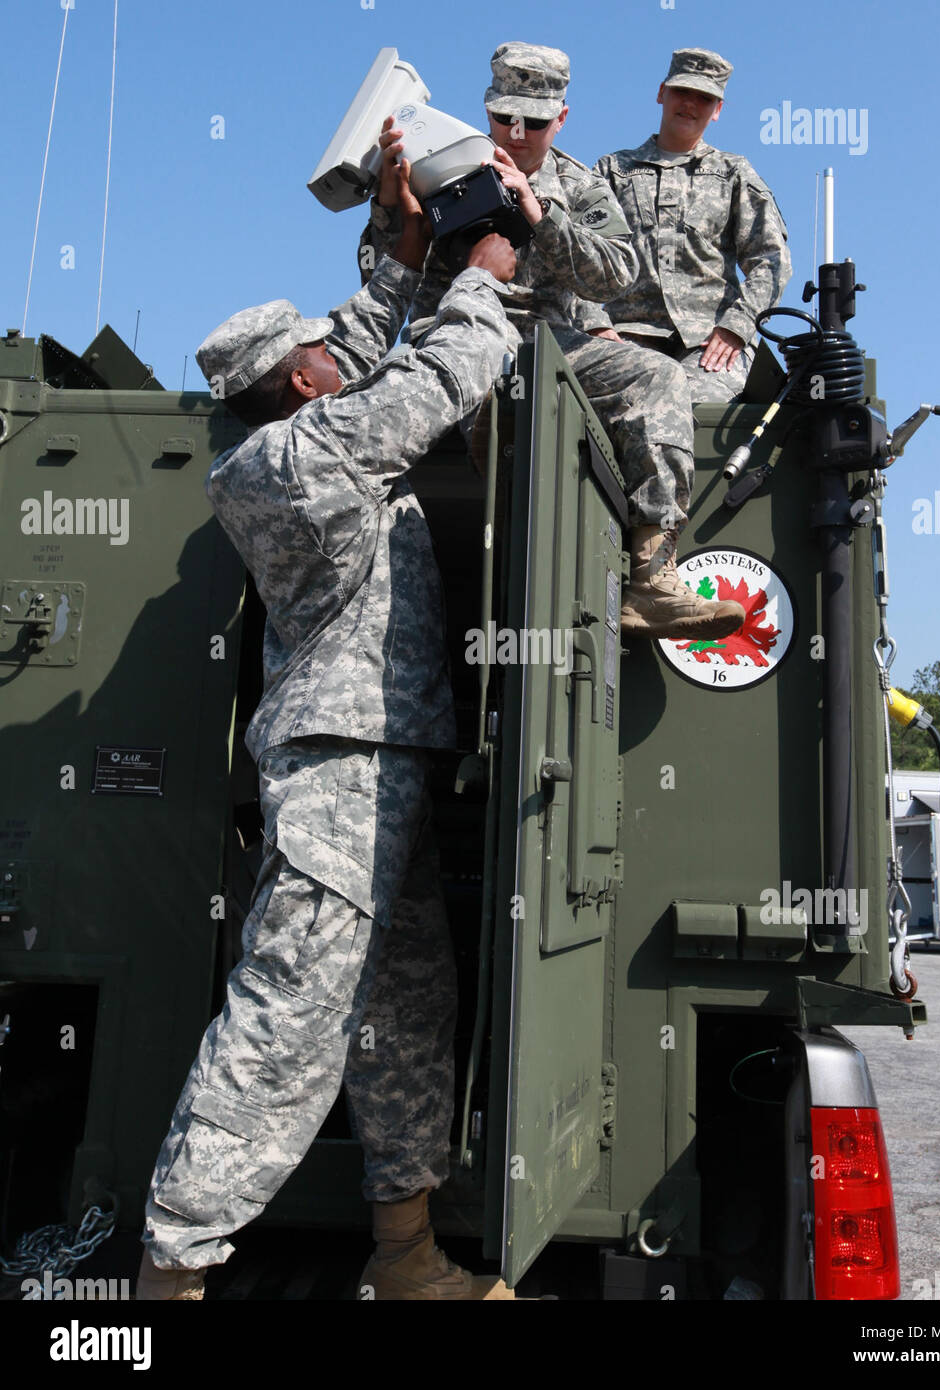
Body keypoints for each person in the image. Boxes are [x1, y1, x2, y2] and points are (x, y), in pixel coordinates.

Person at [135, 158, 526, 1301]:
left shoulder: (293, 423)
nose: (335, 355)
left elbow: (362, 335)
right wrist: (484, 275)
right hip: (341, 775)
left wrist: (403, 242)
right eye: (322, 356)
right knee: (286, 1024)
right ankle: (169, 1279)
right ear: (304, 381)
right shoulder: (303, 455)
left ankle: (405, 1255)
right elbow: (450, 369)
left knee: (404, 1010)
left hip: (385, 763)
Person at [360, 41, 745, 643]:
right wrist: (390, 204)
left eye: (534, 122)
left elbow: (619, 272)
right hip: (458, 335)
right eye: (503, 118)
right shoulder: (441, 163)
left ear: (560, 119)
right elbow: (375, 274)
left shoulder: (582, 184)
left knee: (657, 376)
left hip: (549, 343)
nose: (516, 134)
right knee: (502, 408)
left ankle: (651, 577)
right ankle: (522, 557)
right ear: (486, 110)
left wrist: (542, 216)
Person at [589, 48, 792, 403]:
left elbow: (772, 261)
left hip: (711, 344)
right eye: (683, 92)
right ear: (661, 93)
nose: (691, 105)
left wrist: (736, 327)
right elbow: (577, 253)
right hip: (626, 337)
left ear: (718, 110)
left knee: (680, 406)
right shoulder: (612, 172)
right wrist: (595, 322)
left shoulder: (733, 174)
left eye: (705, 98)